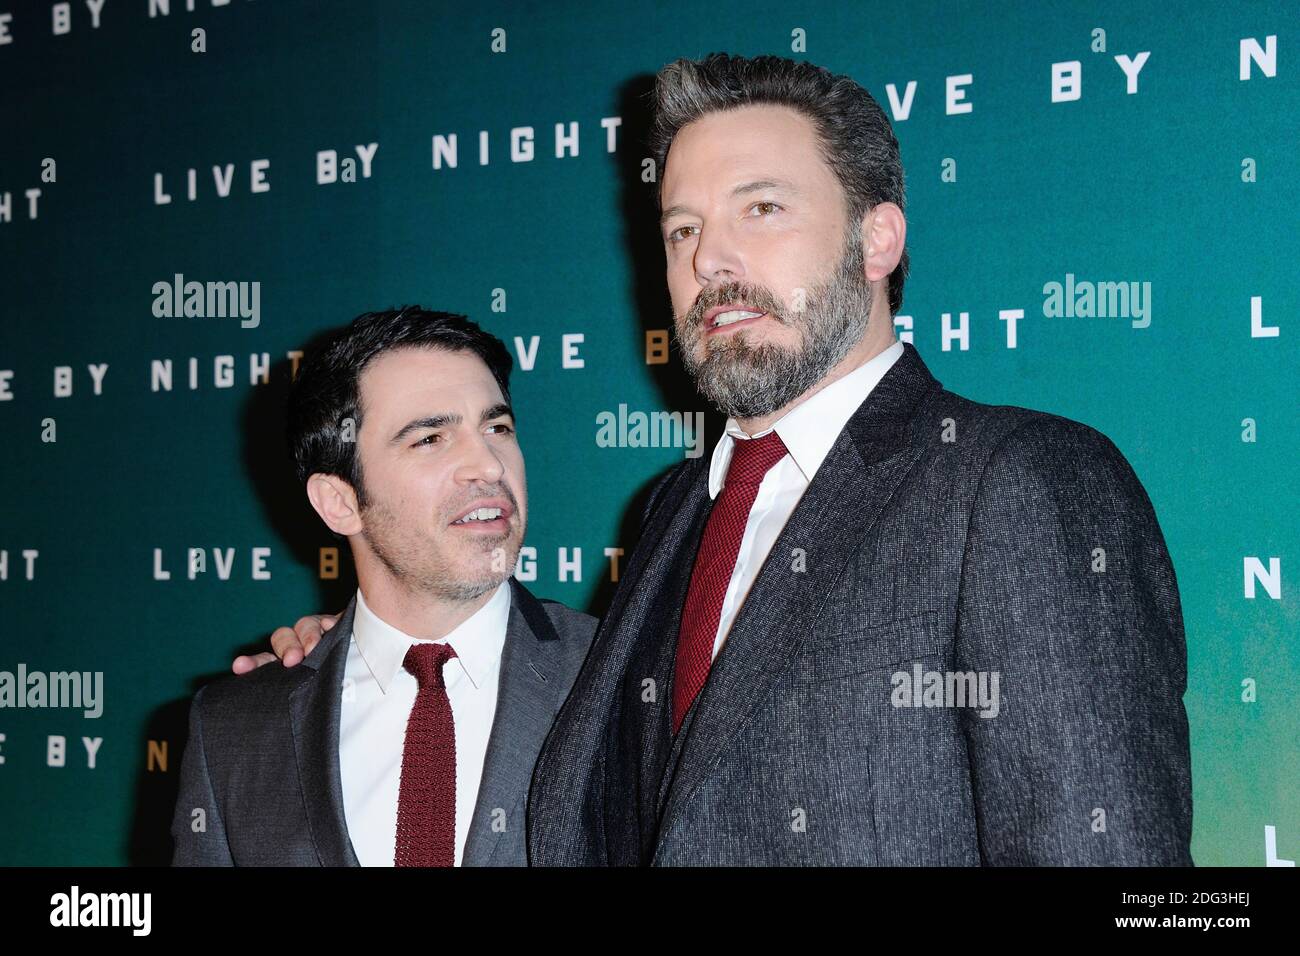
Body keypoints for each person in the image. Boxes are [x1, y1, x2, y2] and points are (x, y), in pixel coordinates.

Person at [263, 53, 1194, 866]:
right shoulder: (671, 510)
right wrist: (353, 661)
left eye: (762, 208)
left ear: (878, 238)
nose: (711, 259)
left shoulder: (1019, 482)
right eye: (682, 230)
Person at [172, 307, 595, 866]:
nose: (487, 465)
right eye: (430, 438)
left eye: (497, 428)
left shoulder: (623, 675)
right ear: (340, 502)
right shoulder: (233, 730)